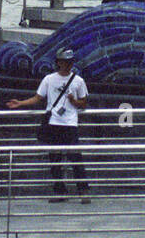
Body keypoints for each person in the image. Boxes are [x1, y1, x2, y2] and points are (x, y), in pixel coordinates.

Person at [6, 47, 91, 203]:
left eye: (69, 62)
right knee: (55, 160)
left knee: (76, 158)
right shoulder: (49, 79)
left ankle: (83, 191)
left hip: (70, 124)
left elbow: (83, 103)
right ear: (58, 62)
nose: (67, 65)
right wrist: (21, 103)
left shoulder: (79, 81)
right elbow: (38, 98)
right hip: (53, 123)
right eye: (64, 62)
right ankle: (60, 191)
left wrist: (74, 101)